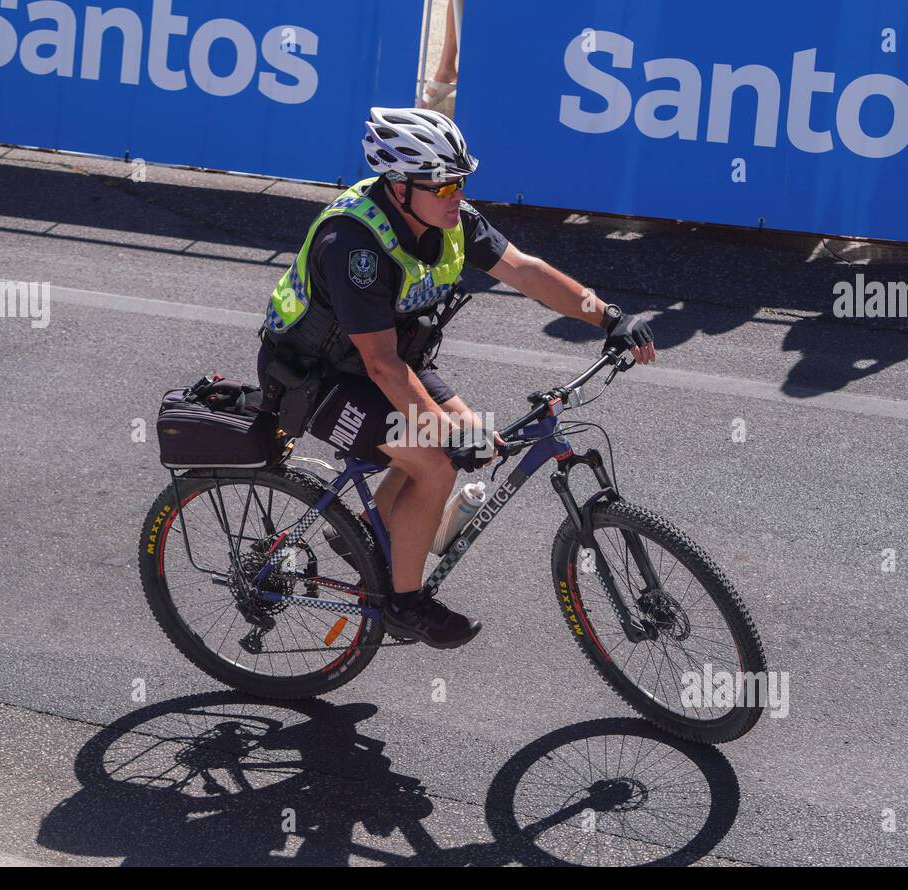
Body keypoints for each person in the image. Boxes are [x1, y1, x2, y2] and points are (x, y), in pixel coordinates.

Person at [257, 107, 655, 650]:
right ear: (399, 188)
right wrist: (444, 436)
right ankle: (404, 603)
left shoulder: (452, 221)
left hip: (389, 362)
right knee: (439, 458)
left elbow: (525, 270)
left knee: (479, 441)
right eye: (442, 187)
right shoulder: (353, 247)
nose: (456, 196)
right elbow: (381, 366)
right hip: (317, 376)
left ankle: (380, 541)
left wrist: (608, 316)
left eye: (460, 182)